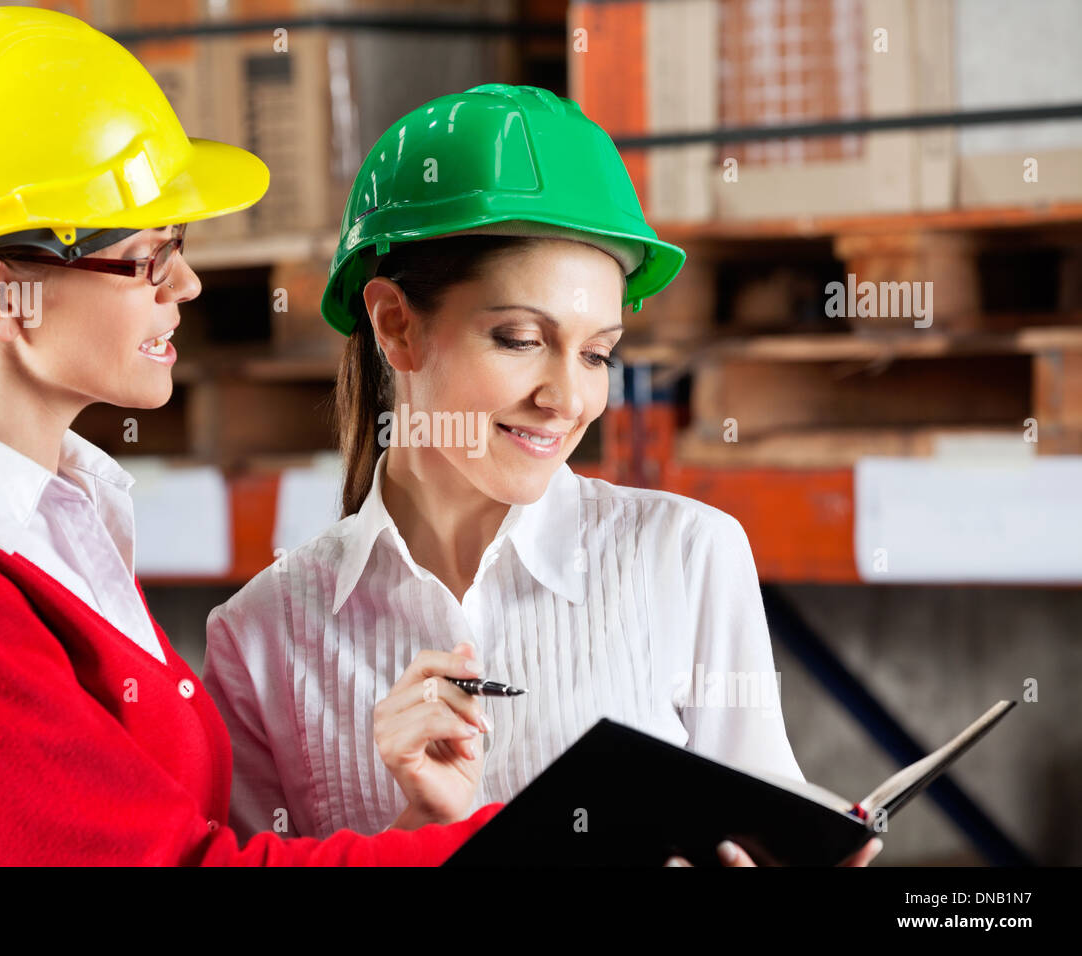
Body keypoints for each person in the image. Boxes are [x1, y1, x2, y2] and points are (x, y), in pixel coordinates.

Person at [0, 7, 501, 867]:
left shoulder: (51, 521)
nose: (187, 285)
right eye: (146, 258)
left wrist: (421, 836)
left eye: (181, 247)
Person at [203, 84, 883, 867]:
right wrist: (415, 829)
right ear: (395, 325)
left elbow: (762, 835)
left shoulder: (688, 556)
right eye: (522, 338)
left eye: (597, 353)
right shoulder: (264, 638)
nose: (567, 398)